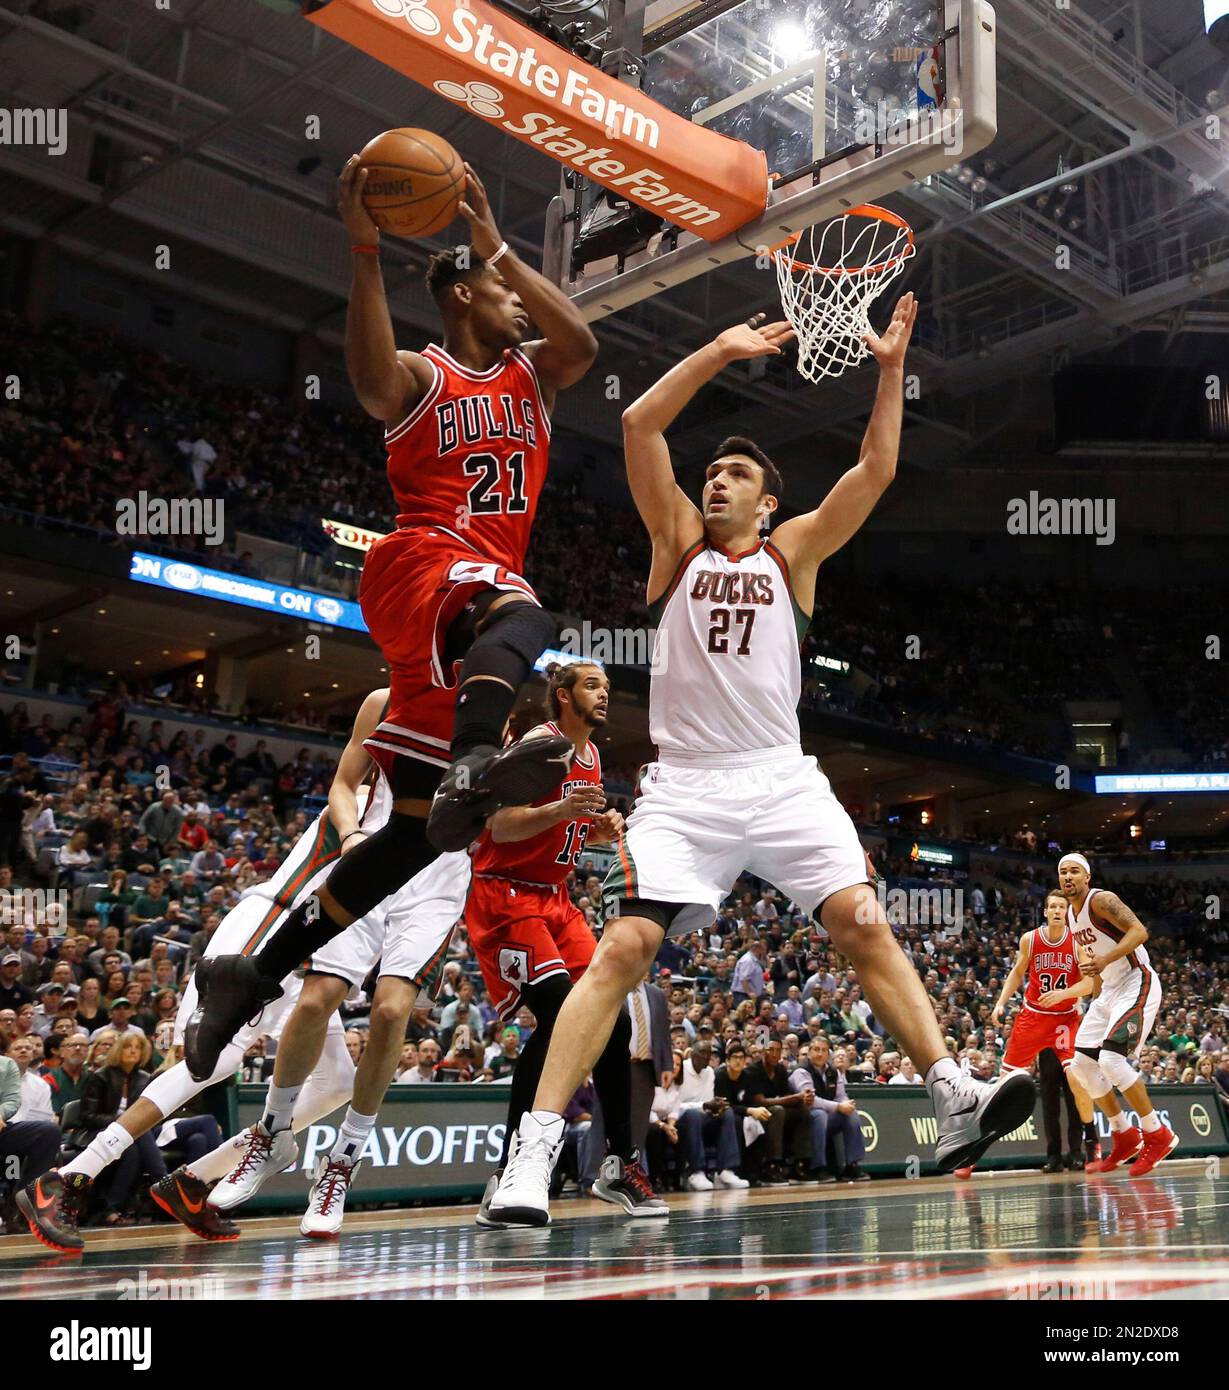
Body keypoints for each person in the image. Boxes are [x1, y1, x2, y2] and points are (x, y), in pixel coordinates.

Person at [490, 308, 1035, 1224]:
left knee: (863, 920)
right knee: (626, 946)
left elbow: (876, 471)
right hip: (687, 785)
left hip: (781, 777)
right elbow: (637, 425)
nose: (714, 482)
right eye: (710, 472)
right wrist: (715, 348)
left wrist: (890, 367)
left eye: (734, 474)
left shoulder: (794, 553)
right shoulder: (673, 545)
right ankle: (530, 1158)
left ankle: (951, 1094)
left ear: (767, 501)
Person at [182, 158, 598, 1083]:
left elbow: (580, 345)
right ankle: (475, 764)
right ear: (458, 293)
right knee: (528, 614)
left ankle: (248, 977)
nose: (519, 304)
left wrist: (499, 238)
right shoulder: (425, 373)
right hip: (423, 567)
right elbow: (370, 380)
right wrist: (364, 246)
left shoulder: (535, 379)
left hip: (457, 624)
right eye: (499, 286)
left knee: (413, 835)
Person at [16, 691, 431, 1254]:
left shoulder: (407, 813)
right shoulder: (365, 799)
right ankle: (67, 1178)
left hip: (317, 949)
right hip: (275, 922)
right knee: (210, 1059)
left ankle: (193, 1179)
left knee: (335, 1081)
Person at [192, 689, 470, 1239]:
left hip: (438, 881)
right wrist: (351, 836)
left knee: (392, 1013)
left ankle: (343, 1160)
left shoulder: (494, 710)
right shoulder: (387, 700)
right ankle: (272, 1137)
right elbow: (345, 784)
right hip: (374, 856)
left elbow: (499, 821)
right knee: (317, 997)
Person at [467, 662, 662, 1224]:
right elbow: (499, 826)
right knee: (560, 1019)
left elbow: (560, 835)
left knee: (615, 1020)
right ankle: (508, 1171)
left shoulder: (592, 757)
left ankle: (620, 1166)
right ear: (563, 696)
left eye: (607, 687)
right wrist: (562, 810)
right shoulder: (539, 744)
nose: (605, 695)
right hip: (505, 896)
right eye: (593, 686)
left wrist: (592, 832)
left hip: (553, 898)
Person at [1059, 853, 1175, 1176]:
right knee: (1081, 1064)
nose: (1068, 877)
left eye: (1074, 872)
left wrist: (1104, 960)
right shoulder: (1070, 916)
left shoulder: (1102, 900)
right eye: (1063, 872)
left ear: (1087, 878)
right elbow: (1095, 964)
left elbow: (1139, 932)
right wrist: (1094, 990)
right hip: (1108, 990)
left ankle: (1157, 1133)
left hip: (1137, 980)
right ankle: (1124, 1135)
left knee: (1111, 1060)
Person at [985, 889, 1101, 1175]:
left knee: (1076, 1079)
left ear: (1067, 912)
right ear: (1046, 911)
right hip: (1034, 1017)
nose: (1058, 911)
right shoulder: (1030, 939)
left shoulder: (1078, 943)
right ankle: (977, 1145)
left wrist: (1065, 993)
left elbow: (1091, 984)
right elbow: (1016, 972)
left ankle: (1091, 1140)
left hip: (1066, 1018)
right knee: (1005, 1083)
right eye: (1053, 907)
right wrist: (1000, 1003)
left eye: (1063, 906)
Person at [791, 1035, 868, 1182]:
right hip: (802, 1119)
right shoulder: (801, 1071)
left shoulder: (833, 1071)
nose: (820, 1054)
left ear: (828, 1054)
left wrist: (846, 1104)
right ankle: (818, 1167)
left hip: (827, 1116)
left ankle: (852, 1165)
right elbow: (811, 1101)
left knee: (851, 1114)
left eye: (824, 1050)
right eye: (816, 1050)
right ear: (809, 1052)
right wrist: (839, 1106)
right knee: (819, 1114)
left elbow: (841, 1095)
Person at [674, 1039, 747, 1191]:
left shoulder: (710, 1073)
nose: (707, 1057)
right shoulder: (682, 1069)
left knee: (727, 1112)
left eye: (710, 1054)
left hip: (702, 1117)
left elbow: (707, 1102)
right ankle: (697, 1171)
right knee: (692, 1114)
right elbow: (674, 1106)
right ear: (693, 1054)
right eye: (703, 1053)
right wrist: (704, 1106)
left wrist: (716, 1108)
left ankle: (726, 1171)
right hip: (678, 1120)